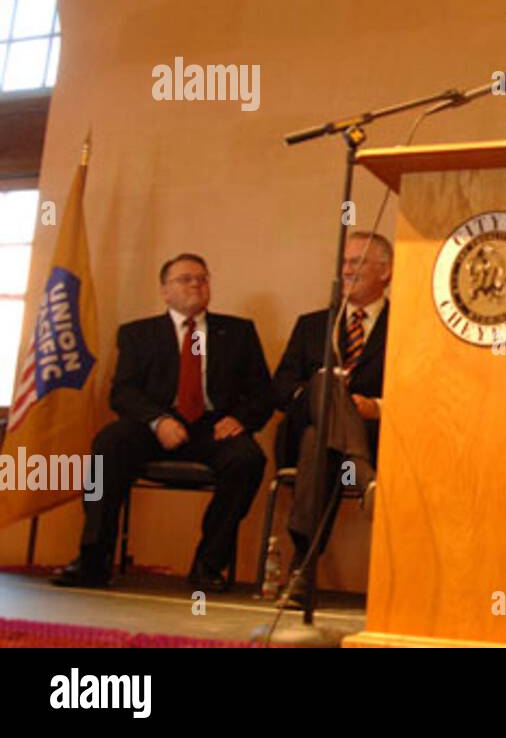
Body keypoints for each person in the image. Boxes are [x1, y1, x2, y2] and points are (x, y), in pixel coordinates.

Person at [52, 253, 273, 591]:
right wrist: (157, 420)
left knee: (249, 459)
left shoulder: (239, 332)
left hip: (214, 428)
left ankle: (208, 565)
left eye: (202, 278)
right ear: (165, 291)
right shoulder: (137, 334)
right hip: (154, 426)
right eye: (185, 279)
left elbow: (262, 393)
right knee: (107, 445)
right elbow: (122, 393)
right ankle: (93, 560)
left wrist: (239, 419)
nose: (196, 284)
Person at [272, 231, 390, 604]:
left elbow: (424, 389)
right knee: (324, 382)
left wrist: (377, 406)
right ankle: (363, 474)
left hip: (374, 438)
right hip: (318, 433)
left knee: (316, 445)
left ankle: (301, 572)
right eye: (345, 262)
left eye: (359, 262)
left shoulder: (408, 324)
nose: (348, 270)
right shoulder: (312, 324)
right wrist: (323, 395)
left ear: (386, 271)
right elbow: (280, 388)